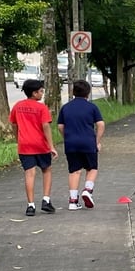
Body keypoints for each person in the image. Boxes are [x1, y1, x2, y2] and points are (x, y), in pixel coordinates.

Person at [9, 78, 58, 216]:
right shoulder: (41, 108)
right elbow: (45, 126)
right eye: (41, 91)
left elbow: (13, 124)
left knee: (29, 174)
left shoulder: (18, 106)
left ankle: (30, 205)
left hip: (25, 145)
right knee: (47, 170)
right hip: (40, 145)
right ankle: (46, 200)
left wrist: (18, 138)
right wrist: (51, 146)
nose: (42, 94)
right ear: (34, 93)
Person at [57, 79, 105, 210]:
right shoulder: (92, 107)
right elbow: (100, 124)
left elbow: (60, 126)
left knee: (74, 171)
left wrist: (67, 137)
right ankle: (88, 190)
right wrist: (97, 141)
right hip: (88, 142)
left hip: (71, 143)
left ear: (73, 92)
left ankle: (73, 201)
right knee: (92, 168)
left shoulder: (65, 107)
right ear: (88, 93)